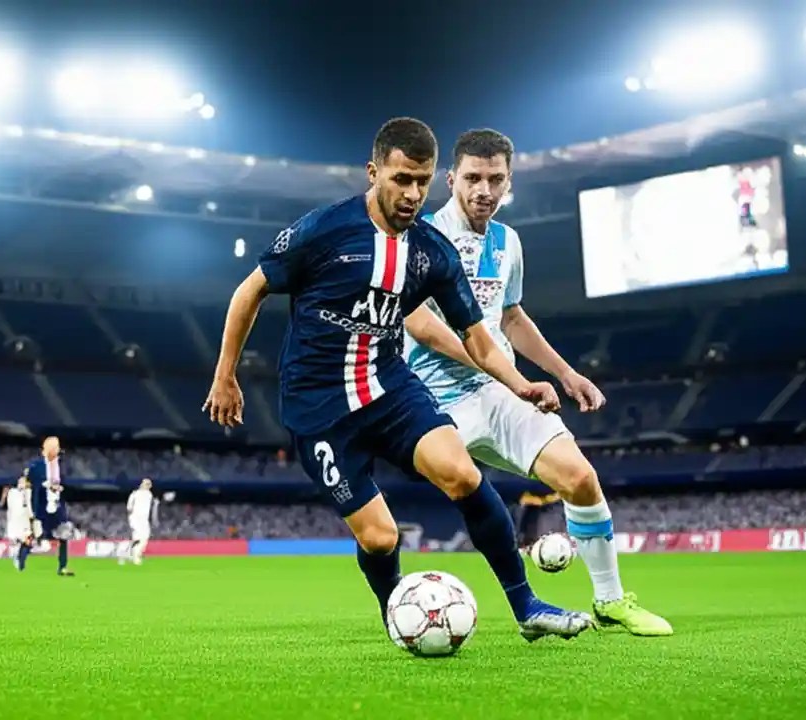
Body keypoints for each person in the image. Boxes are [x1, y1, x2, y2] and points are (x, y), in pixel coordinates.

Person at [203, 117, 592, 642]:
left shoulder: (433, 252)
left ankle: (526, 606)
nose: (412, 194)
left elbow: (478, 336)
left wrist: (519, 384)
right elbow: (249, 291)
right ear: (373, 172)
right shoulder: (324, 231)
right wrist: (225, 374)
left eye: (422, 182)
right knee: (381, 537)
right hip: (318, 408)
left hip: (389, 386)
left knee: (462, 474)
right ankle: (398, 614)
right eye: (401, 179)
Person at [404, 128, 672, 636]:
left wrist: (565, 373)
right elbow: (421, 326)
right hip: (431, 399)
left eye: (496, 179)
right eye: (473, 178)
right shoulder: (419, 236)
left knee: (580, 478)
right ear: (450, 178)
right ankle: (430, 597)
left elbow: (511, 318)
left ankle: (610, 601)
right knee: (448, 493)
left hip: (500, 393)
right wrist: (512, 376)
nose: (485, 190)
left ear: (509, 182)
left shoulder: (508, 241)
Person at [23, 436, 73, 577]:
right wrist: (44, 485)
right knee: (36, 535)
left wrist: (61, 488)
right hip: (42, 505)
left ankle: (62, 566)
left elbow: (67, 482)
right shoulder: (37, 466)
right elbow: (30, 483)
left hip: (57, 505)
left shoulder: (62, 465)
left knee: (64, 534)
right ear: (49, 449)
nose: (58, 450)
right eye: (56, 447)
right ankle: (22, 557)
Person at [122, 478, 158, 566]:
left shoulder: (149, 494)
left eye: (149, 484)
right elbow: (129, 507)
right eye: (147, 484)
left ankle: (131, 554)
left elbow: (150, 507)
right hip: (136, 518)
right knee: (138, 537)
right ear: (142, 484)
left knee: (145, 537)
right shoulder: (135, 494)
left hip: (144, 520)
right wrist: (132, 517)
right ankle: (135, 557)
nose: (148, 486)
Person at [6, 476, 34, 572]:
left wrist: (30, 516)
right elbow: (11, 507)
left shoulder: (28, 492)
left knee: (27, 541)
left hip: (24, 520)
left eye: (24, 482)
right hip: (16, 520)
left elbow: (29, 505)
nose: (22, 483)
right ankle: (17, 559)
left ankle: (21, 562)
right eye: (21, 482)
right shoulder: (13, 492)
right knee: (19, 541)